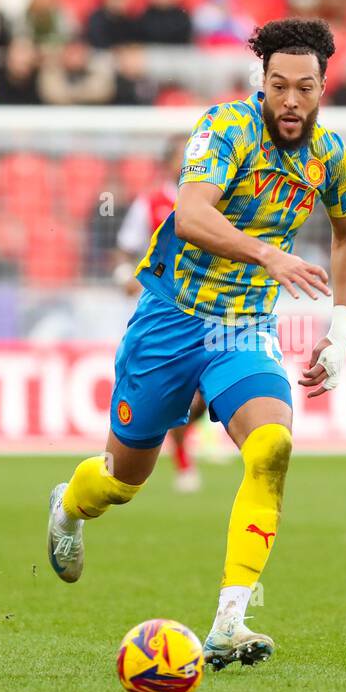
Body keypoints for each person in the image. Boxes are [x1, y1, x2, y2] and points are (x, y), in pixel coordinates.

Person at [44, 18, 346, 671]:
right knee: (124, 480)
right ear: (263, 82)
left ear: (324, 86)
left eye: (305, 88)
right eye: (279, 86)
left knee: (272, 447)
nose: (292, 101)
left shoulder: (329, 155)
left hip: (241, 326)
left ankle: (229, 621)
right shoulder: (226, 129)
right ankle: (69, 506)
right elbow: (189, 216)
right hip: (170, 319)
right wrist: (265, 254)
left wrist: (342, 332)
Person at [113, 136, 206, 493]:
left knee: (202, 395)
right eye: (182, 156)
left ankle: (185, 444)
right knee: (164, 397)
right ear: (169, 162)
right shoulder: (150, 202)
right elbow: (124, 250)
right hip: (160, 313)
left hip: (207, 312)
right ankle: (175, 454)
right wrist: (125, 277)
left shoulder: (215, 198)